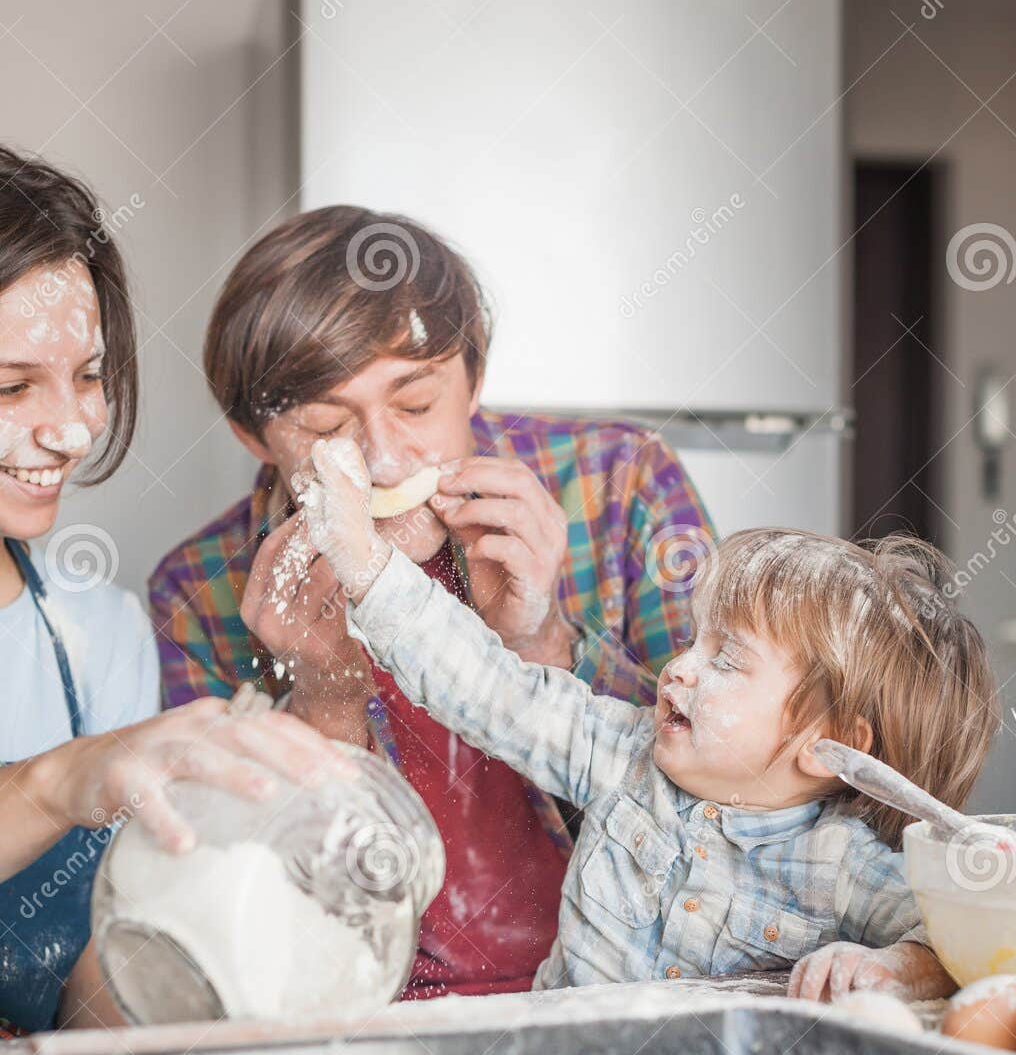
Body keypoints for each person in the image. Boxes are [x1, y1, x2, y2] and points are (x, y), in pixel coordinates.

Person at [150, 206, 715, 999]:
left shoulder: (621, 485)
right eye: (322, 427)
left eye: (415, 406)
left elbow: (736, 800)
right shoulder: (197, 594)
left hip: (621, 994)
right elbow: (235, 928)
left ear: (474, 381)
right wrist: (328, 699)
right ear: (254, 438)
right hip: (371, 1015)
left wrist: (543, 641)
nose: (382, 461)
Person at [302, 434, 1000, 1002]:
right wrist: (365, 564)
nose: (677, 668)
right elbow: (490, 688)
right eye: (692, 639)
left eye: (724, 659)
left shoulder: (839, 864)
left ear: (829, 747)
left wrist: (891, 969)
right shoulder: (619, 755)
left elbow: (965, 938)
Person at [0, 149, 356, 1036]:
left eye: (88, 375)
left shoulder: (103, 637)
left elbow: (90, 995)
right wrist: (52, 786)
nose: (75, 428)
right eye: (10, 385)